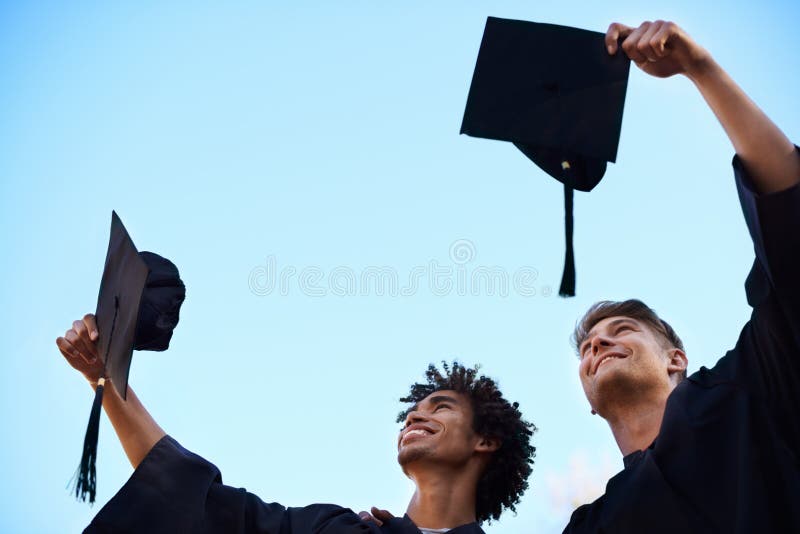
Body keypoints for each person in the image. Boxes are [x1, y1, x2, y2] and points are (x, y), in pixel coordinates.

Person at [564, 20, 800, 533]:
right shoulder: (593, 526)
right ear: (588, 402)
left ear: (677, 359)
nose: (597, 345)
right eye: (587, 348)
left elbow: (788, 217)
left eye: (620, 330)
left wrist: (699, 68)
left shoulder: (751, 390)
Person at [56, 322, 535, 533]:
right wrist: (105, 377)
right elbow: (191, 495)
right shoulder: (329, 531)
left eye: (442, 407)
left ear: (485, 440)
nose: (415, 415)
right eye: (413, 409)